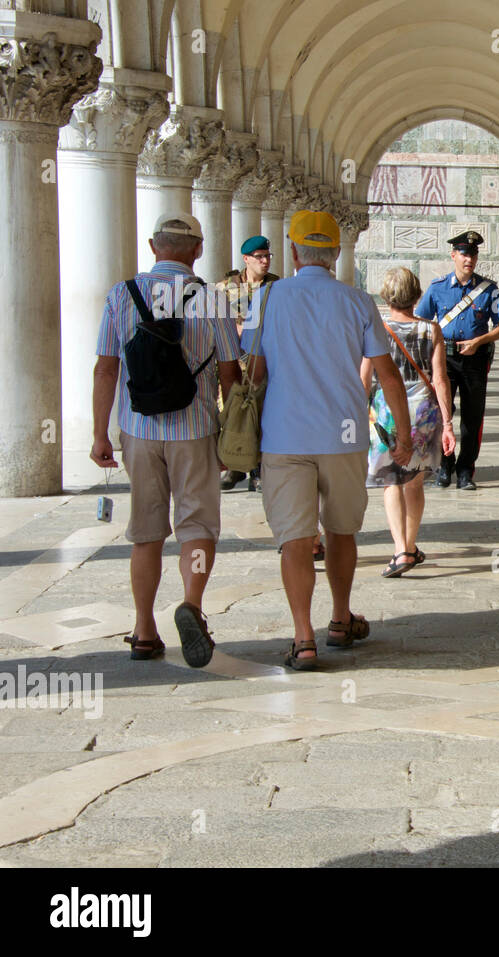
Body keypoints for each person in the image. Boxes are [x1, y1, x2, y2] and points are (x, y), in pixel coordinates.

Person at [244, 210, 412, 670]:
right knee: (341, 531)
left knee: (296, 539)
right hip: (344, 435)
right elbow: (387, 373)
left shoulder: (268, 298)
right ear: (336, 253)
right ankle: (340, 619)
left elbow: (253, 370)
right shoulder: (357, 301)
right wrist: (403, 433)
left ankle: (303, 637)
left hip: (284, 435)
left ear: (294, 252)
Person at [90, 213, 242, 667]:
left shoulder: (122, 294)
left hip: (138, 431)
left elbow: (106, 367)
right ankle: (191, 604)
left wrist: (101, 433)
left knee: (146, 532)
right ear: (197, 250)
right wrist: (234, 435)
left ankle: (143, 629)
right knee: (196, 527)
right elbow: (231, 374)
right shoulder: (211, 299)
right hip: (194, 431)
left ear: (153, 247)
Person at [361, 267, 456, 578]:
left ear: (386, 296)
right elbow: (440, 380)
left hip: (386, 412)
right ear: (417, 295)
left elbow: (364, 378)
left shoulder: (377, 329)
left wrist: (358, 416)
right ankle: (411, 545)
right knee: (414, 482)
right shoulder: (431, 330)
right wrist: (448, 422)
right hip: (424, 413)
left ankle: (401, 548)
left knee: (391, 481)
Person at [413, 230, 499, 490]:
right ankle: (445, 467)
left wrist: (479, 341)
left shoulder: (489, 290)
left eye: (474, 254)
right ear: (454, 255)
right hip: (443, 358)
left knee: (473, 416)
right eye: (465, 254)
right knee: (442, 413)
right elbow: (421, 322)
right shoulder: (437, 288)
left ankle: (466, 470)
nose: (470, 259)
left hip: (476, 359)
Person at [215, 234, 280, 492]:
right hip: (232, 364)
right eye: (259, 257)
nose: (265, 261)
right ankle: (235, 466)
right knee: (234, 415)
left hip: (263, 363)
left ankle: (258, 469)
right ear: (246, 259)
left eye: (267, 256)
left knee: (261, 415)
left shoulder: (276, 287)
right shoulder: (225, 288)